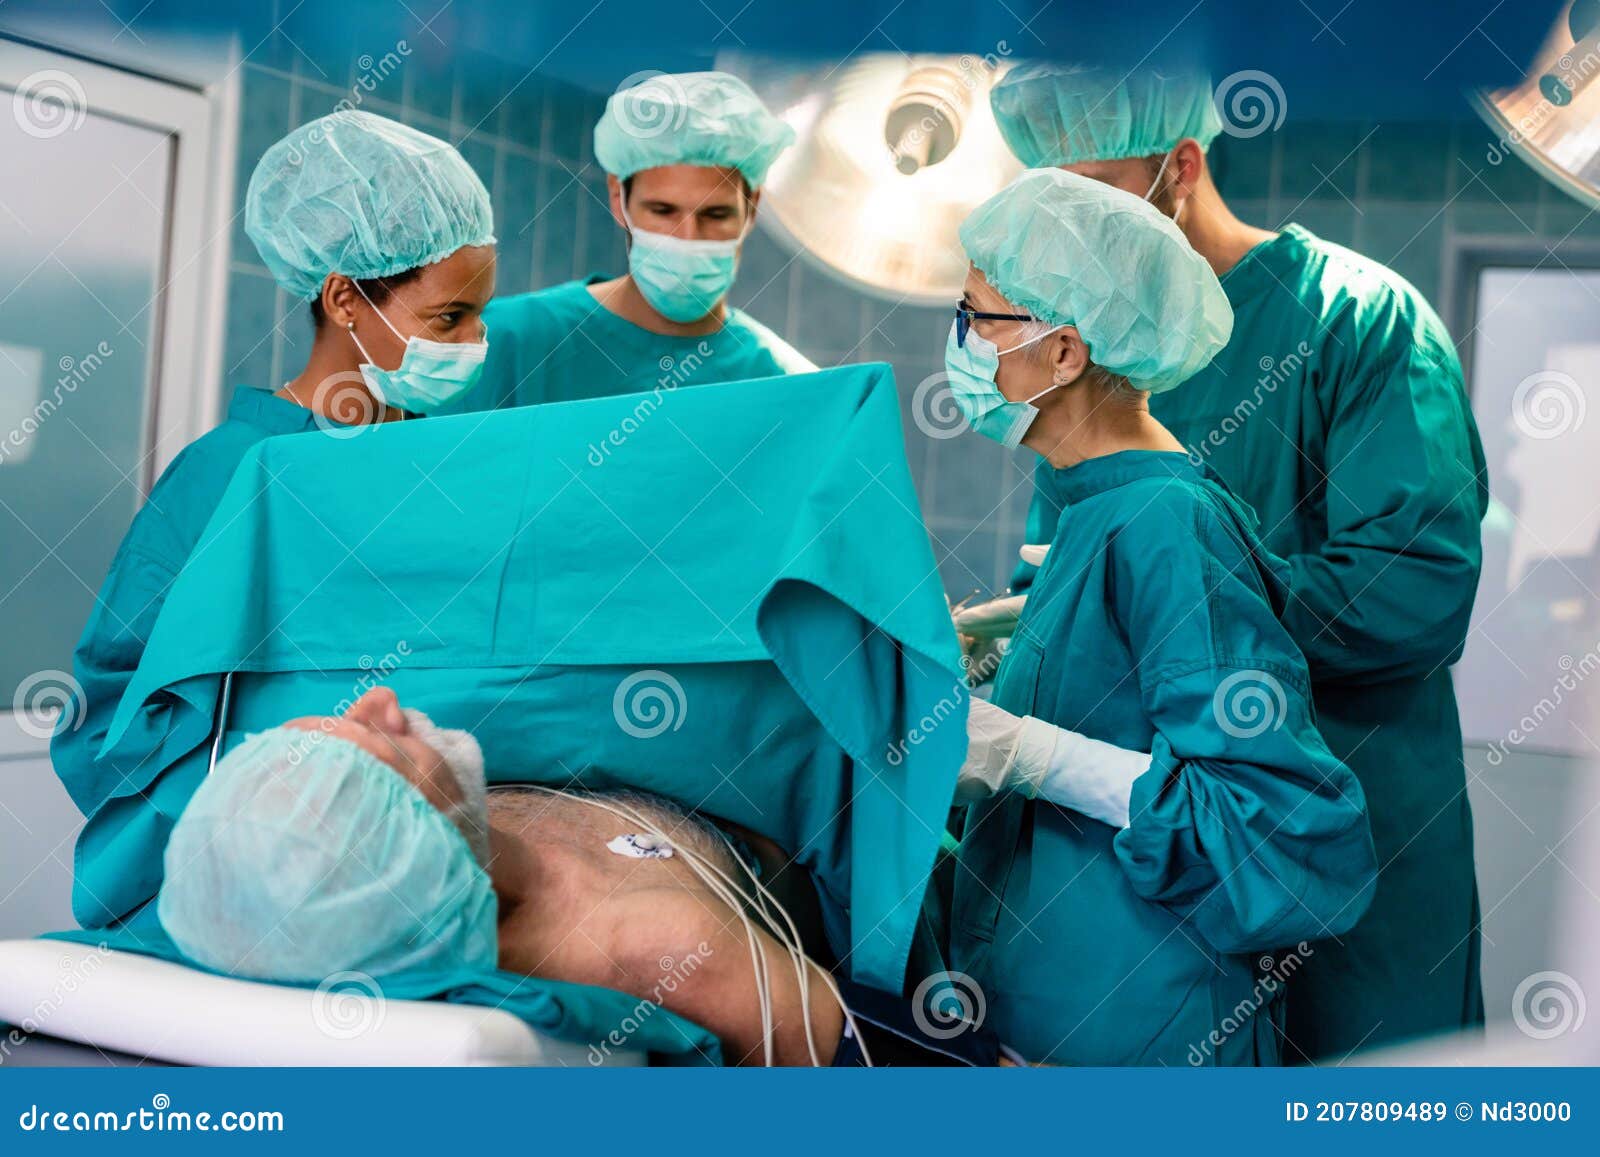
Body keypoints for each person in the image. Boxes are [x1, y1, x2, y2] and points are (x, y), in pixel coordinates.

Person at [989, 64, 1489, 1060]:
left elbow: (1413, 590)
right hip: (1161, 884)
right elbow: (1070, 581)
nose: (1060, 238)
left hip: (1345, 857)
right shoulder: (1086, 350)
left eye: (1083, 202)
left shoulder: (1356, 321)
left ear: (1179, 167)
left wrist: (1191, 600)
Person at [942, 168, 1376, 1066]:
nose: (963, 341)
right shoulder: (1099, 504)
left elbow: (1279, 837)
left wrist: (1029, 753)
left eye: (978, 317)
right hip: (1051, 1028)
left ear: (1063, 353)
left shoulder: (1166, 520)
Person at [53, 110, 497, 930]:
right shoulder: (231, 473)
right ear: (345, 299)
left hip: (428, 868)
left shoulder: (451, 465)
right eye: (448, 318)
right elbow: (109, 705)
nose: (476, 341)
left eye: (479, 314)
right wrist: (265, 820)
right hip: (255, 875)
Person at [157, 686, 1001, 1067]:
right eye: (383, 746)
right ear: (416, 853)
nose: (379, 697)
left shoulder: (382, 861)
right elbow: (910, 1061)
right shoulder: (657, 949)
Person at [447, 70, 813, 415]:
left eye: (715, 215)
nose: (687, 238)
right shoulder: (505, 344)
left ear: (752, 207)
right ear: (618, 199)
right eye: (663, 210)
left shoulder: (789, 382)